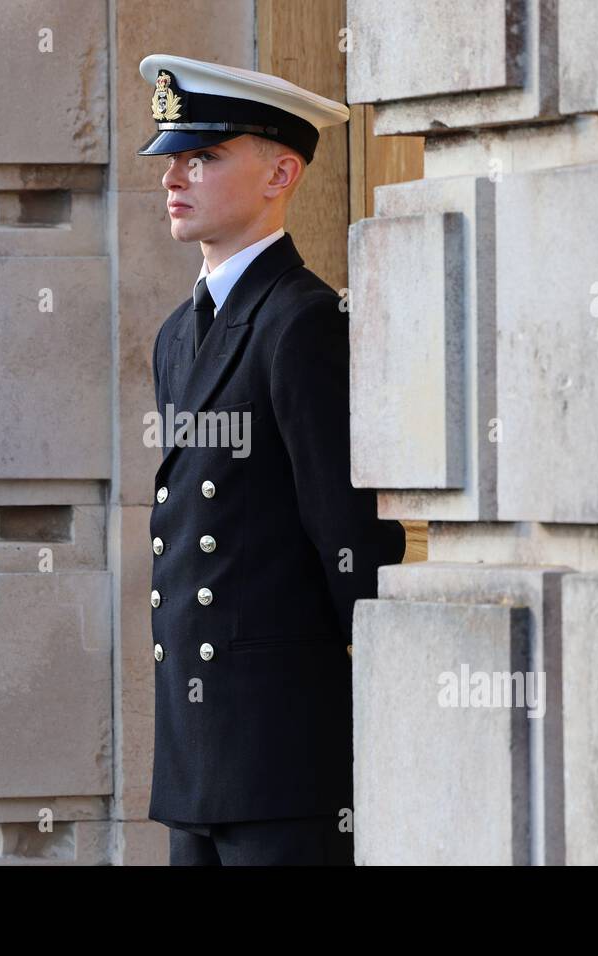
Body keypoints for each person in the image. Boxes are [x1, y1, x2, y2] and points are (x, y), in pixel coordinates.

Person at [138, 53, 408, 866]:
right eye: (171, 158)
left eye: (205, 156)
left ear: (280, 172)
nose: (173, 177)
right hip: (197, 755)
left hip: (285, 754)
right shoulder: (177, 334)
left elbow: (347, 536)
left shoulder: (304, 323)